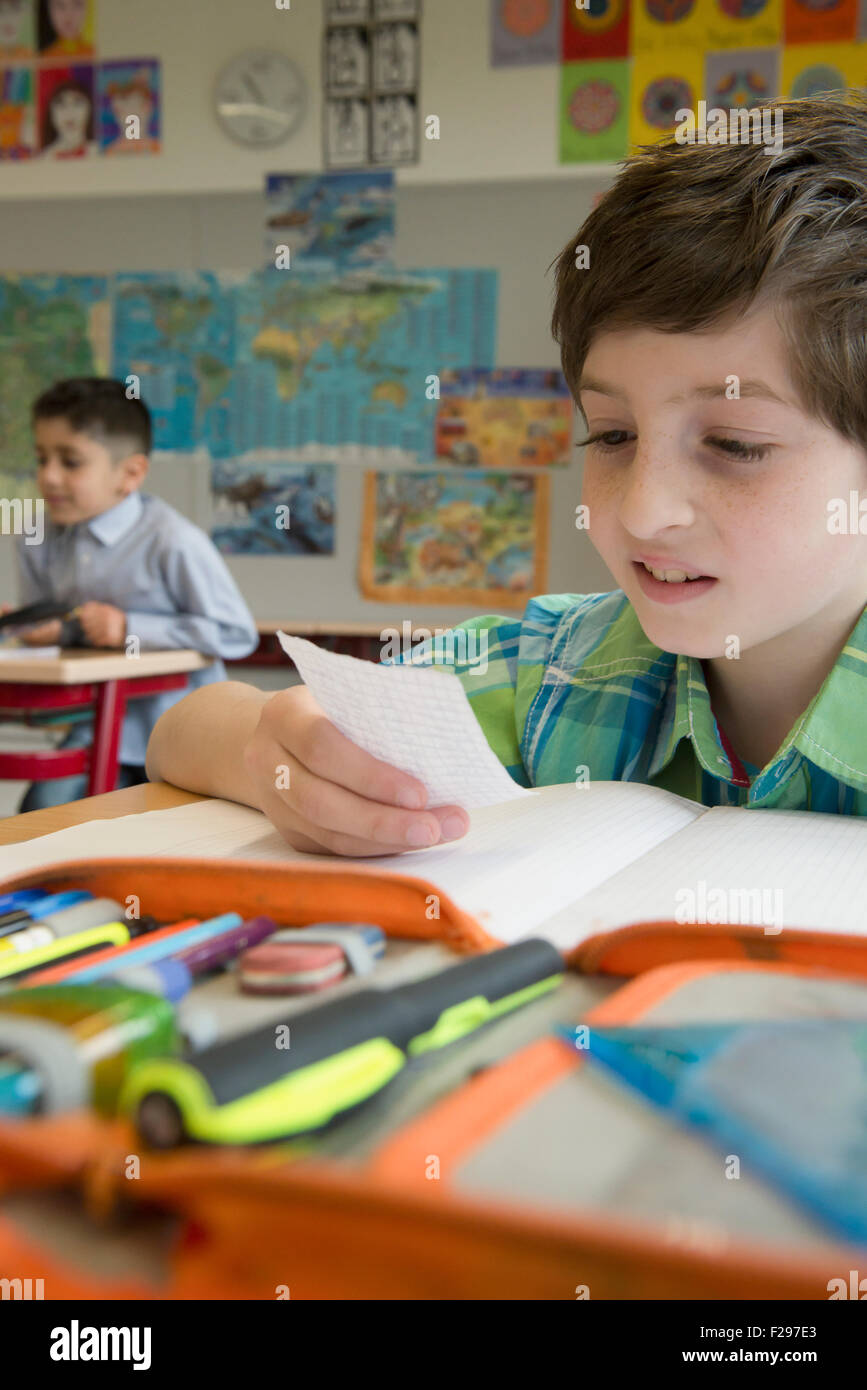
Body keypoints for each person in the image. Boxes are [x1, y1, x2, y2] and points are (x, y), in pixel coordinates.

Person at [147, 92, 867, 850]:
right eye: (614, 434)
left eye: (733, 443)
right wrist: (282, 755)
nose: (642, 511)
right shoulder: (551, 673)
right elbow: (182, 731)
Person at [15, 378, 258, 811]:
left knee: (154, 839)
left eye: (70, 462)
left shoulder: (173, 540)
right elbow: (53, 631)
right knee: (42, 810)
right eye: (41, 458)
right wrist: (34, 627)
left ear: (130, 474)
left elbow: (237, 633)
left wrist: (130, 627)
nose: (48, 476)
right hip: (91, 726)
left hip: (180, 739)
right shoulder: (36, 537)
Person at [40, 78, 97, 158]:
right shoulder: (44, 157)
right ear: (51, 115)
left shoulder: (98, 152)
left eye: (77, 103)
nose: (69, 112)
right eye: (61, 105)